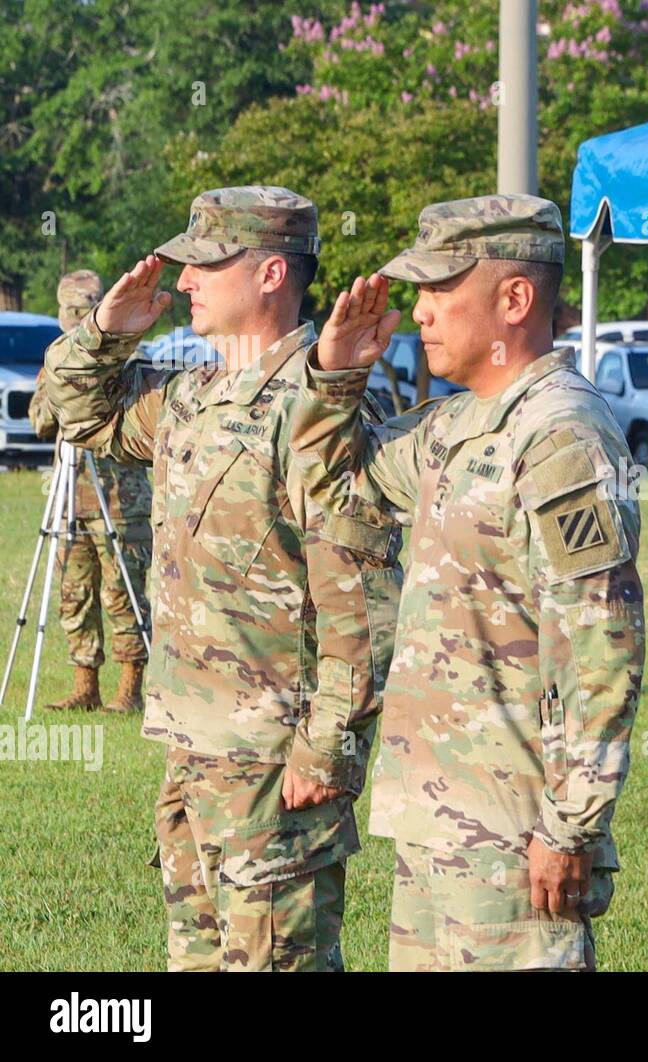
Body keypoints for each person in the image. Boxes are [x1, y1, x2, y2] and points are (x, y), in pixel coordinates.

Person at [42, 186, 403, 971]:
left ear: (272, 273)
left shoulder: (321, 409)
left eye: (207, 262)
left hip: (275, 766)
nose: (185, 281)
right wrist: (106, 333)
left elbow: (364, 597)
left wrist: (328, 751)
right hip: (192, 748)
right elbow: (68, 412)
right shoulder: (192, 397)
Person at [294, 194, 645, 971]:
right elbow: (330, 476)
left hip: (514, 833)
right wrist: (336, 375)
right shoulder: (456, 426)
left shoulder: (561, 434)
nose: (419, 311)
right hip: (436, 819)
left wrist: (571, 827)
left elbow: (603, 651)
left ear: (515, 298)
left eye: (440, 289)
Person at [29, 270, 152, 713]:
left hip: (121, 498)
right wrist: (59, 387)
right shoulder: (58, 359)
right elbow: (41, 421)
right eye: (72, 315)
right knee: (73, 592)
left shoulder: (128, 358)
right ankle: (85, 685)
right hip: (69, 496)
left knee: (124, 593)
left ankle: (129, 689)